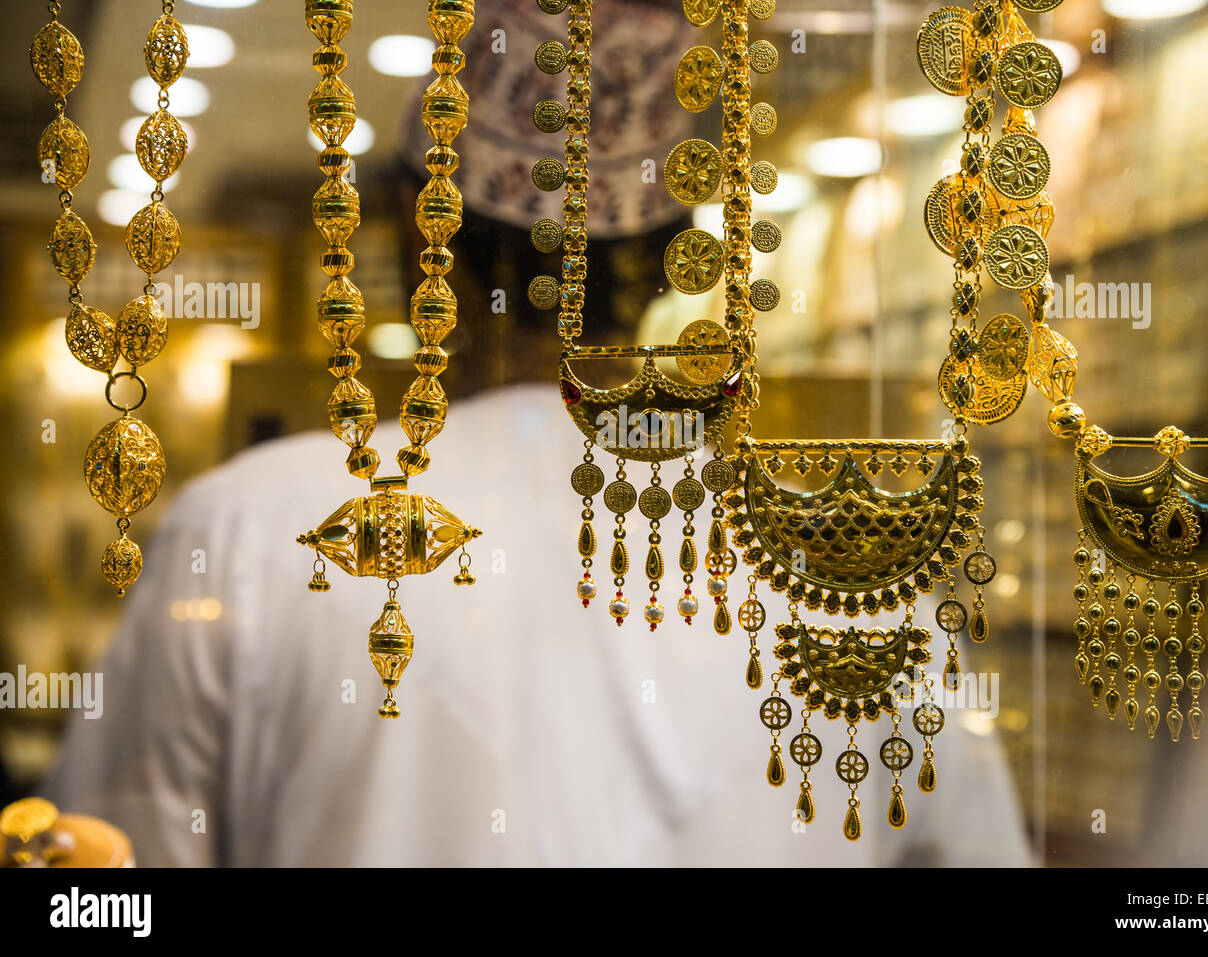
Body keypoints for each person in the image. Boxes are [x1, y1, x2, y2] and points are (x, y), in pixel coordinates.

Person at [43, 0, 1031, 866]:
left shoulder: (254, 531)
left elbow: (105, 879)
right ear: (675, 256)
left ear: (408, 227)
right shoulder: (852, 573)